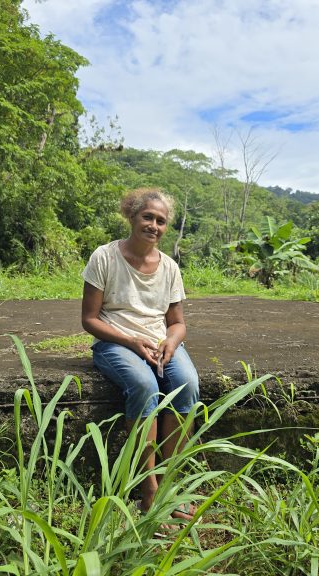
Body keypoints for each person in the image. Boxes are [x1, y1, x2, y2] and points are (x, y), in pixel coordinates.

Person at [81, 187, 200, 523]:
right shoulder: (104, 257)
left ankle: (169, 485)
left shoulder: (170, 268)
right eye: (148, 217)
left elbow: (177, 324)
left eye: (161, 221)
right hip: (115, 342)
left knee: (187, 384)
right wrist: (132, 341)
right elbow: (89, 319)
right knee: (146, 386)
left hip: (160, 343)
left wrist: (171, 343)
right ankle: (148, 491)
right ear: (131, 217)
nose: (154, 225)